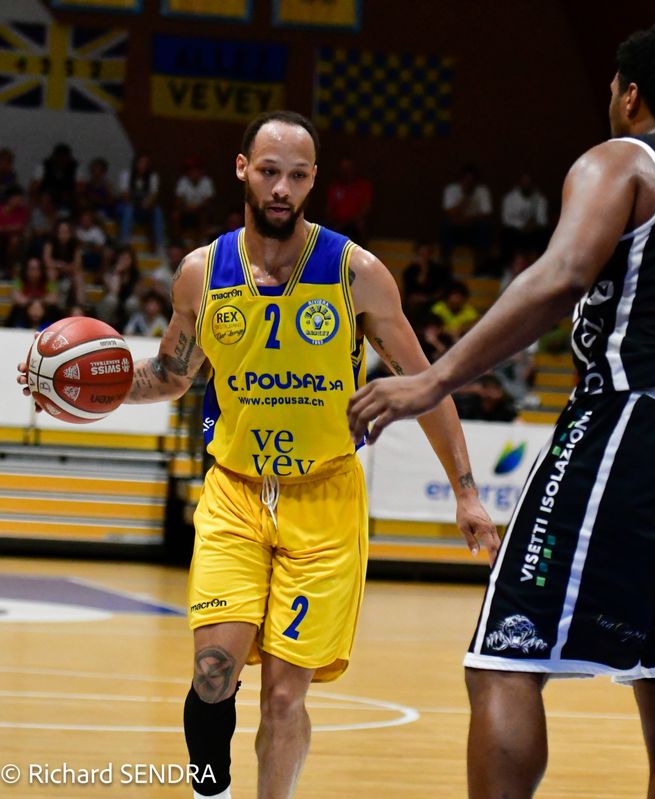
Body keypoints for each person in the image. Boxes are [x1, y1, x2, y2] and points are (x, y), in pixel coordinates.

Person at [348, 26, 655, 799]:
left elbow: (563, 274)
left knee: (506, 660)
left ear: (631, 93)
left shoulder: (623, 161)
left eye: (612, 87)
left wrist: (435, 378)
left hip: (638, 421)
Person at [20, 110, 497, 799]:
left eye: (296, 175)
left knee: (281, 696)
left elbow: (429, 384)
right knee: (213, 671)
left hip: (324, 501)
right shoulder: (201, 272)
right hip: (236, 493)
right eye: (269, 170)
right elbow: (174, 374)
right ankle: (209, 791)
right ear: (243, 169)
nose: (281, 187)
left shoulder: (356, 274)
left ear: (312, 181)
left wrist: (465, 490)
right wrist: (76, 389)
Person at [324, 157, 373, 244]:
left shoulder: (363, 186)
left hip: (354, 223)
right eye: (343, 169)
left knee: (360, 226)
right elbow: (329, 210)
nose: (346, 172)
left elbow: (365, 210)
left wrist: (345, 223)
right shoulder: (335, 187)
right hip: (337, 223)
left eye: (349, 168)